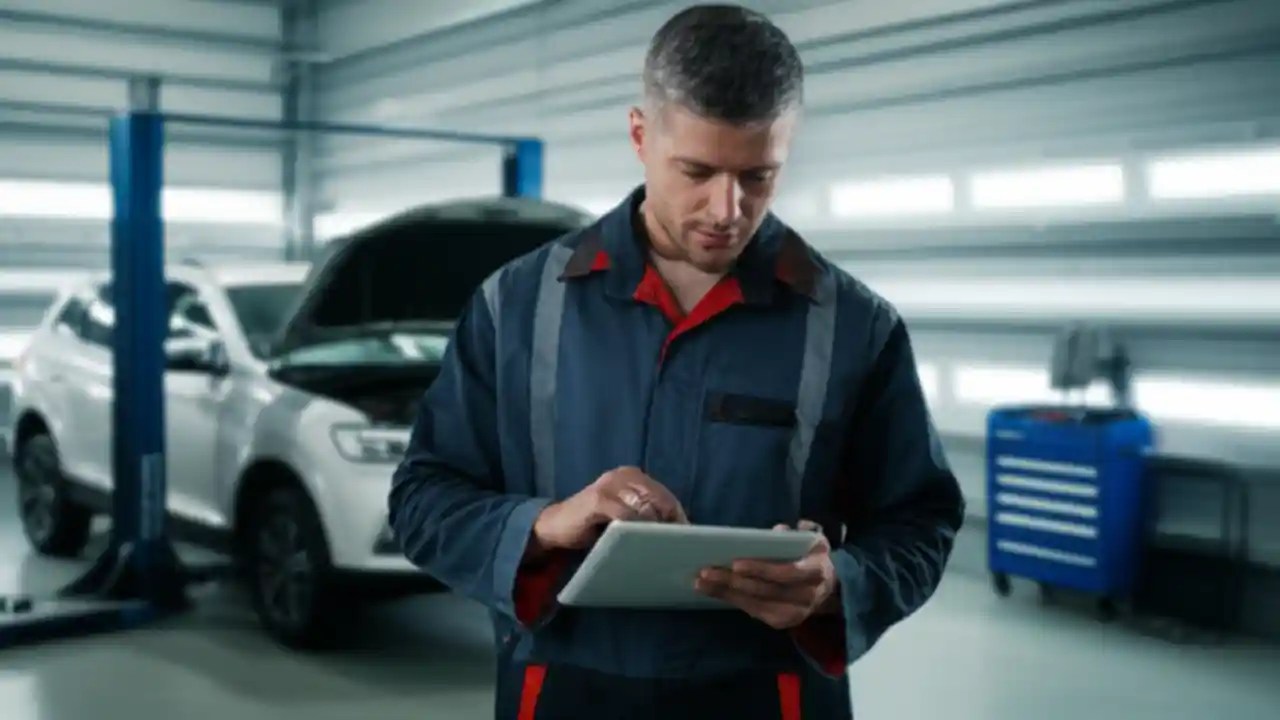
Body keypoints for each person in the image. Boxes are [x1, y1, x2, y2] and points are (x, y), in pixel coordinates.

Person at [388, 4, 965, 719]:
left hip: (765, 697)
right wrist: (543, 525)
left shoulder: (854, 326)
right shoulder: (516, 305)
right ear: (640, 135)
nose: (727, 208)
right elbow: (422, 500)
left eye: (759, 176)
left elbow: (921, 521)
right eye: (696, 170)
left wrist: (839, 584)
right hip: (565, 694)